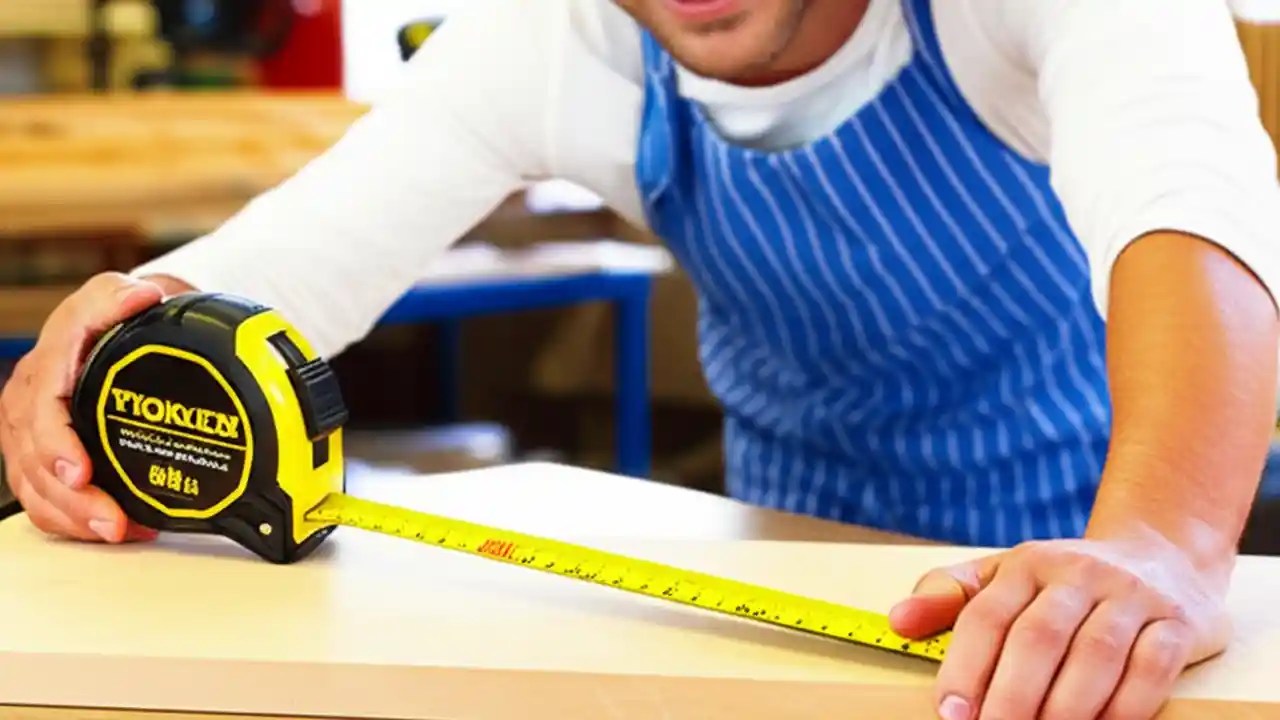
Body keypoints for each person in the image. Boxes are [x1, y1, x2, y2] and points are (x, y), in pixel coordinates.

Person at [3, 0, 1279, 716]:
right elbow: (286, 269)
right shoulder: (559, 39)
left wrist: (1157, 547)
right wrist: (123, 344)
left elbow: (1199, 205)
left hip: (1080, 566)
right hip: (784, 585)